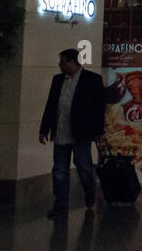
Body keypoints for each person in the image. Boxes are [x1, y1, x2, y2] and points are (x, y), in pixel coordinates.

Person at [38, 48, 105, 218]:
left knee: (84, 166)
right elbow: (51, 104)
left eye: (62, 61)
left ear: (71, 62)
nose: (60, 65)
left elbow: (99, 107)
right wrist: (44, 128)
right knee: (59, 170)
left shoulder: (92, 80)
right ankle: (60, 204)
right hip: (61, 131)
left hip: (81, 132)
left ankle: (89, 192)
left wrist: (98, 131)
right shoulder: (58, 80)